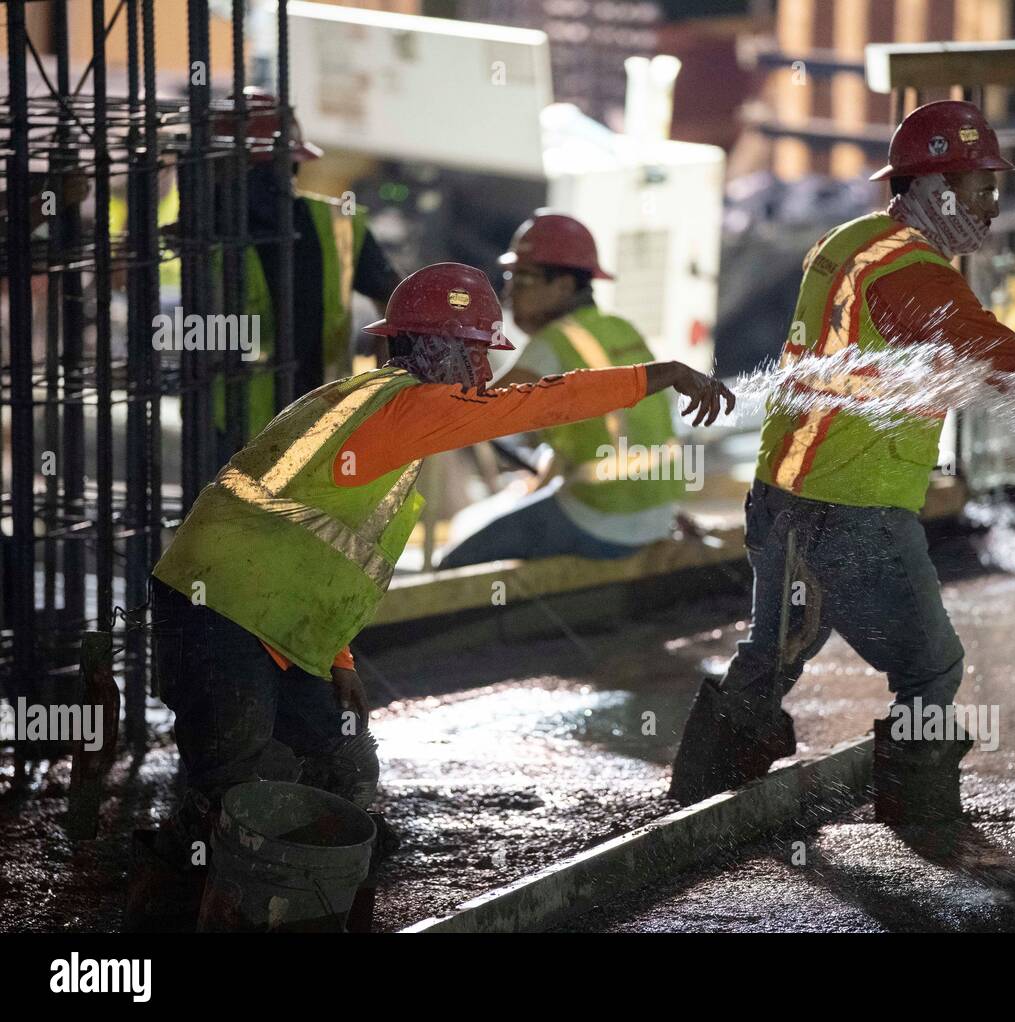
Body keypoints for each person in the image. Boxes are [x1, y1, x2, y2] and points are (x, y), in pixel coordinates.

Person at [669, 100, 1015, 816]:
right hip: (852, 506)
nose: (990, 209)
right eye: (981, 190)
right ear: (935, 189)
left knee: (770, 661)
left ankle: (697, 807)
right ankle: (920, 816)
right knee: (931, 665)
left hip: (786, 492)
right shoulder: (918, 279)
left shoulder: (851, 242)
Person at [149, 262, 732, 841]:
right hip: (221, 607)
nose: (484, 369)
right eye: (475, 352)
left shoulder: (366, 397)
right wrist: (662, 373)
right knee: (230, 786)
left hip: (260, 608)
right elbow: (541, 403)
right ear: (435, 349)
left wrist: (338, 658)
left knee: (338, 762)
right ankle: (197, 887)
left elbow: (312, 544)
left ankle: (303, 885)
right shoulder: (413, 409)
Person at [439, 212, 684, 566]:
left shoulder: (554, 342)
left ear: (565, 286)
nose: (509, 294)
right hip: (657, 516)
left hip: (601, 521)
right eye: (510, 278)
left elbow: (478, 416)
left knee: (455, 563)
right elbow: (609, 426)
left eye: (523, 279)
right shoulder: (619, 328)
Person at [208, 88, 402, 452]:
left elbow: (402, 308)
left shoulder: (339, 225)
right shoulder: (200, 234)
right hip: (235, 432)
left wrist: (388, 385)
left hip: (311, 428)